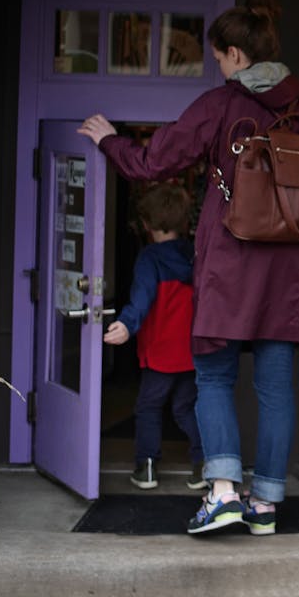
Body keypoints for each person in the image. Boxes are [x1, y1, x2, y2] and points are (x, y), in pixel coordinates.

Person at [78, 0, 299, 537]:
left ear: (236, 54)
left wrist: (110, 142)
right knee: (275, 388)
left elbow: (153, 163)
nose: (219, 67)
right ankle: (265, 504)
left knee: (214, 376)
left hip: (232, 263)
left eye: (218, 57)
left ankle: (222, 494)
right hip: (291, 267)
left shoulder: (222, 105)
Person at [103, 183, 205, 491]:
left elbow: (142, 297)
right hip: (191, 349)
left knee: (148, 407)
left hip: (160, 351)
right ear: (184, 222)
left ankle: (146, 466)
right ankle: (204, 464)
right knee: (186, 407)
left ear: (147, 224)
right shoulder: (195, 254)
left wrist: (126, 324)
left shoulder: (150, 258)